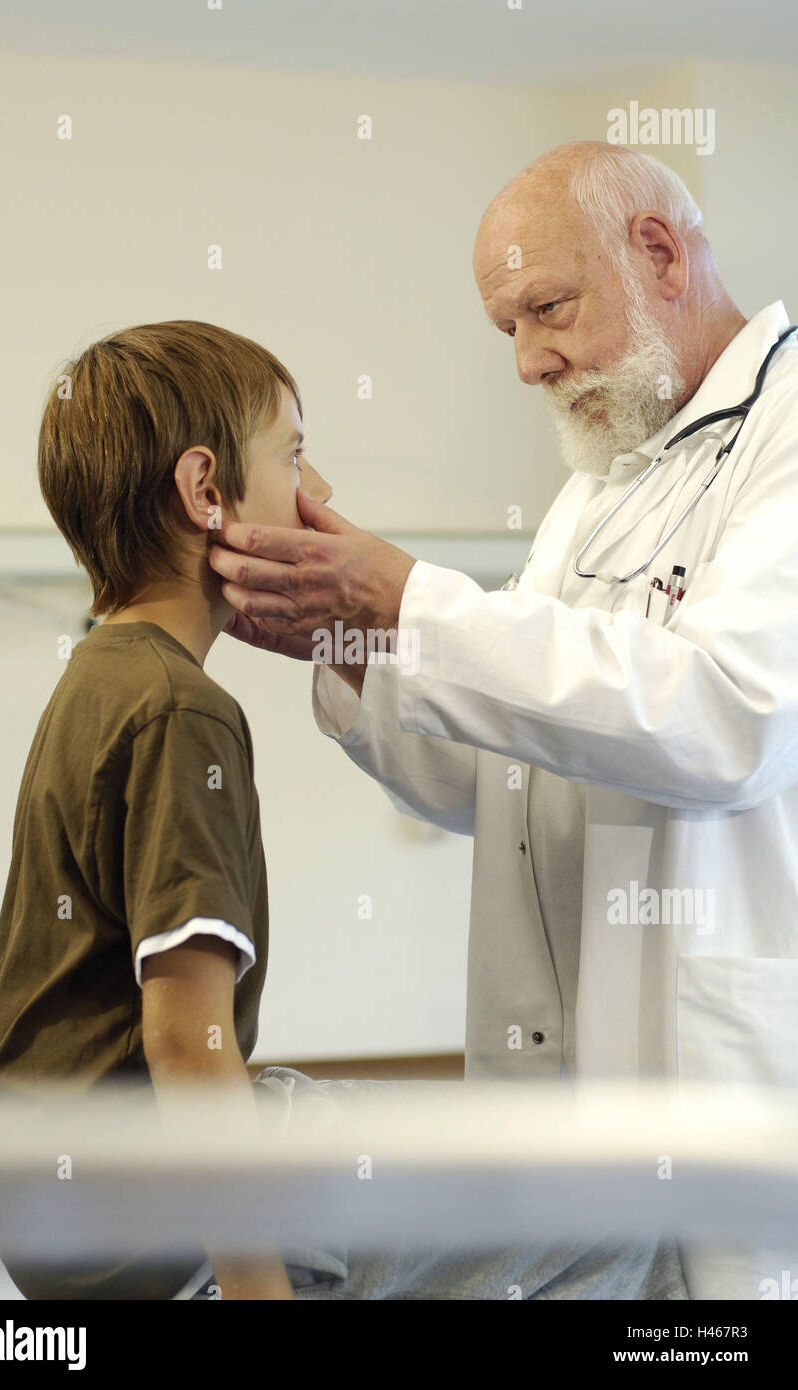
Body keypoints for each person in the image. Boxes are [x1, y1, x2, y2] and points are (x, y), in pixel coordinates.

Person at [208, 141, 798, 1300]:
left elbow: (734, 717)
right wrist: (348, 633)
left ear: (660, 252)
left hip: (720, 1075)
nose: (528, 361)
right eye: (507, 331)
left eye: (546, 308)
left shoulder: (784, 440)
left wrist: (412, 602)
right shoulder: (596, 490)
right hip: (561, 1104)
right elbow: (500, 776)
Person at [0, 320, 334, 1299]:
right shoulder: (181, 709)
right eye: (294, 455)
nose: (321, 494)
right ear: (205, 490)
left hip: (56, 1217)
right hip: (138, 1237)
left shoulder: (99, 670)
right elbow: (188, 1041)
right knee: (593, 1233)